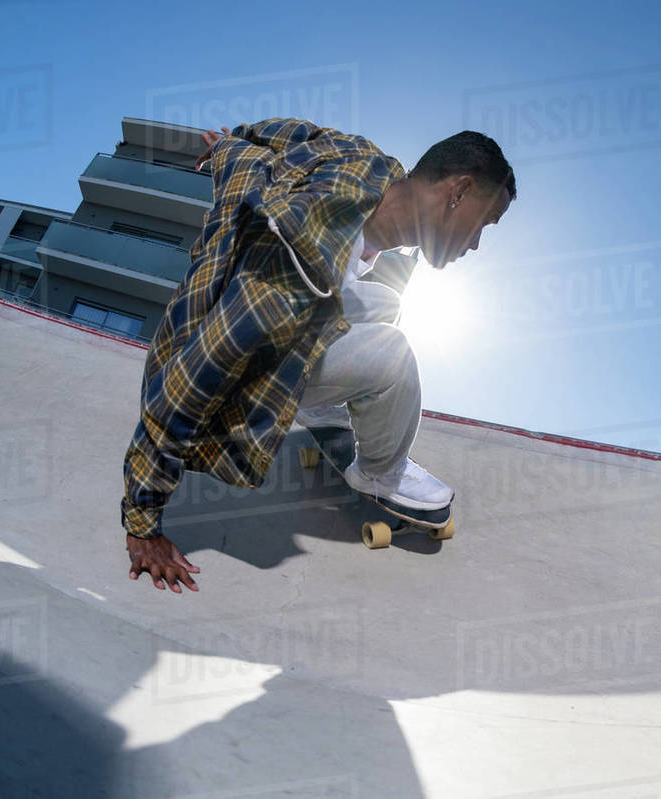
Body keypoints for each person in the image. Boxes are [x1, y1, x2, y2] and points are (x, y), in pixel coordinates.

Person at [122, 117, 515, 593]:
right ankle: (379, 475)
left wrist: (234, 140)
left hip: (297, 307)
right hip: (247, 356)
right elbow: (189, 379)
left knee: (385, 301)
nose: (474, 244)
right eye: (483, 224)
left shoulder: (365, 160)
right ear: (458, 191)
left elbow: (294, 134)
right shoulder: (288, 267)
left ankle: (317, 401)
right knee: (390, 353)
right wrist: (142, 525)